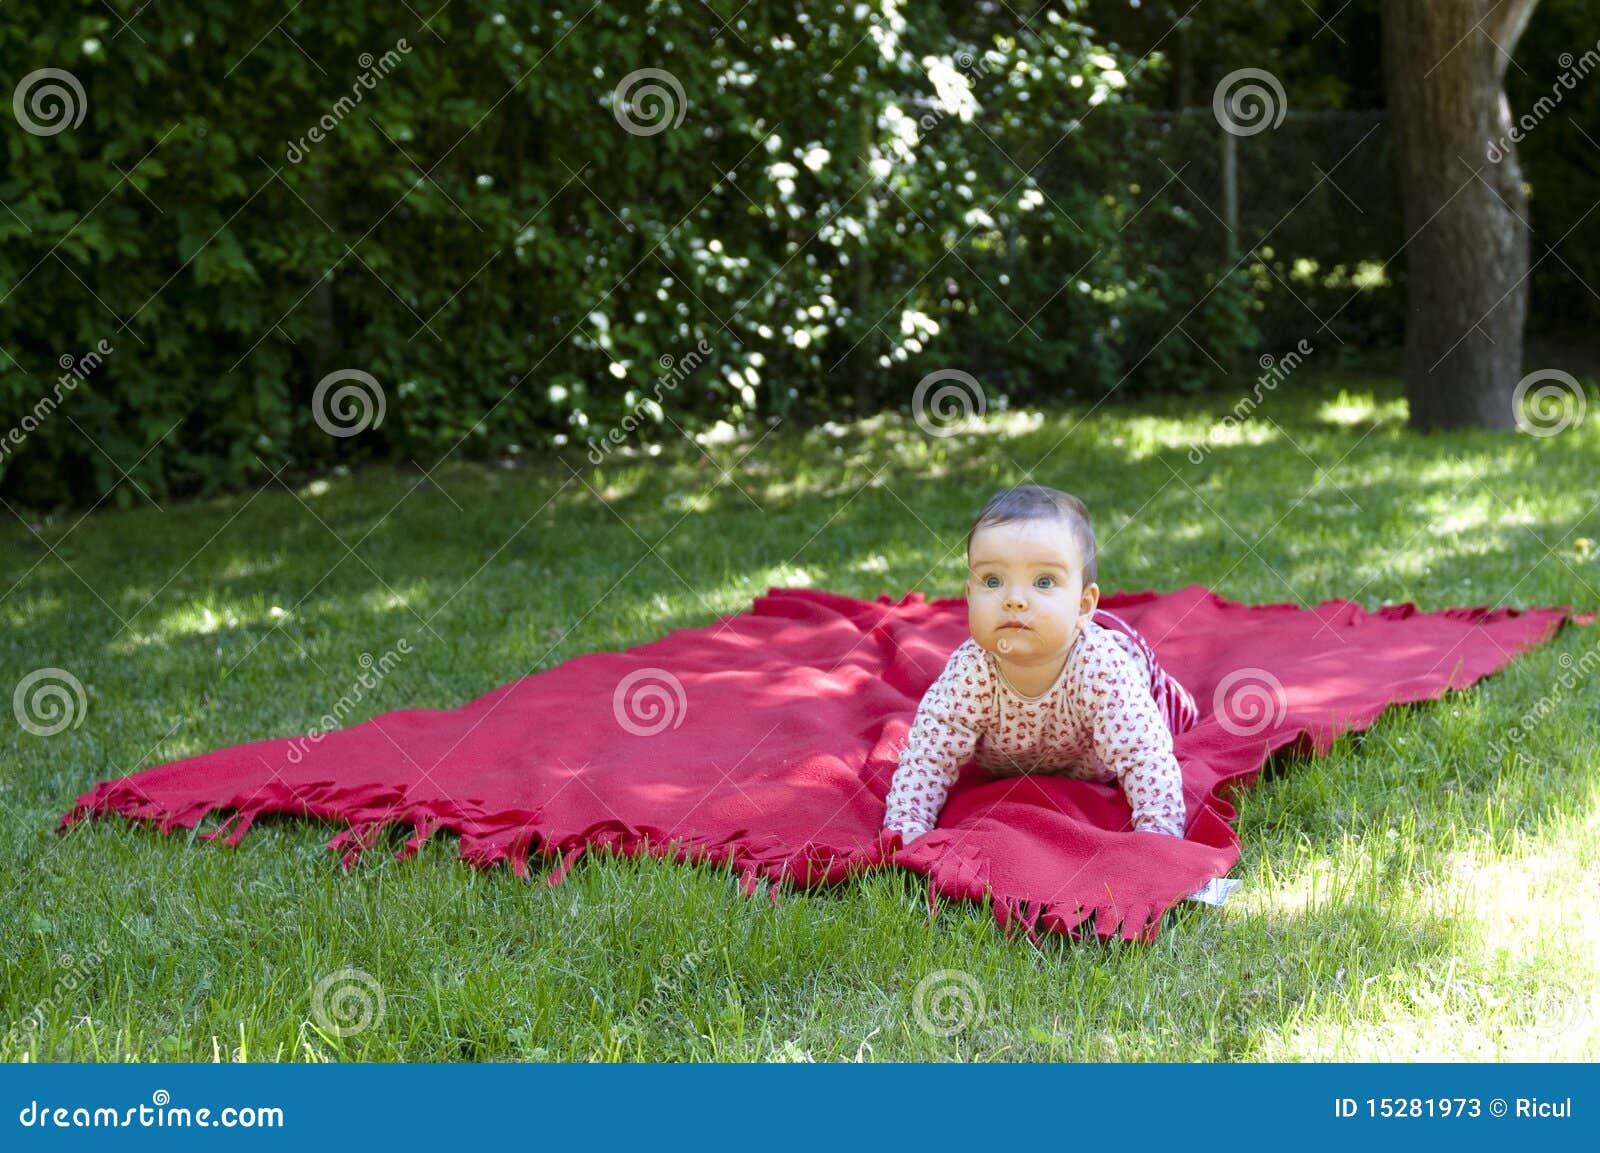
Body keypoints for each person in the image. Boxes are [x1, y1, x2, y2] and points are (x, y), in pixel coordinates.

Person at [882, 484, 1198, 843]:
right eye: (993, 580)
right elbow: (929, 756)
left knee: (1170, 718)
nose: (1014, 600)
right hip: (1019, 759)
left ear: (1082, 606)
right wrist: (906, 828)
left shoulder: (1102, 669)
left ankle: (1172, 691)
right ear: (969, 596)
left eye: (1044, 582)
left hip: (1113, 709)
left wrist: (1160, 835)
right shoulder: (970, 672)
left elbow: (1145, 755)